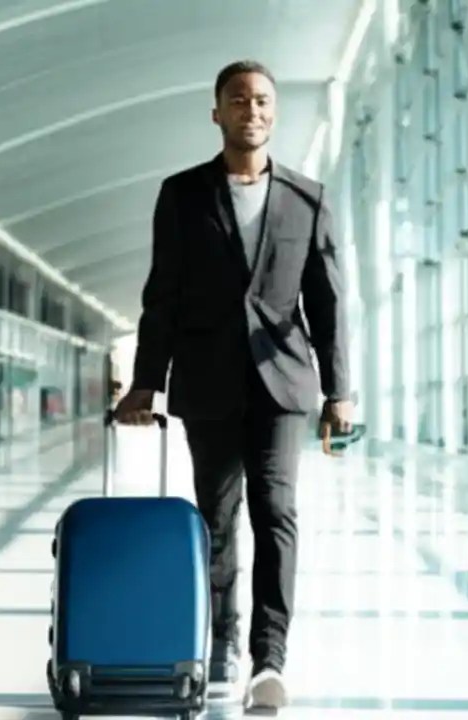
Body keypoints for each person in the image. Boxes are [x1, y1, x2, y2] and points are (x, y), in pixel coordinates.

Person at [113, 59, 352, 710]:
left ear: (276, 113)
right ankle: (218, 639)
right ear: (216, 111)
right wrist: (144, 383)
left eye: (264, 100)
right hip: (208, 378)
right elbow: (162, 296)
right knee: (215, 521)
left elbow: (328, 304)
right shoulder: (183, 194)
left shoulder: (310, 198)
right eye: (239, 99)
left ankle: (268, 661)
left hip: (283, 381)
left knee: (277, 514)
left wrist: (340, 391)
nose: (252, 109)